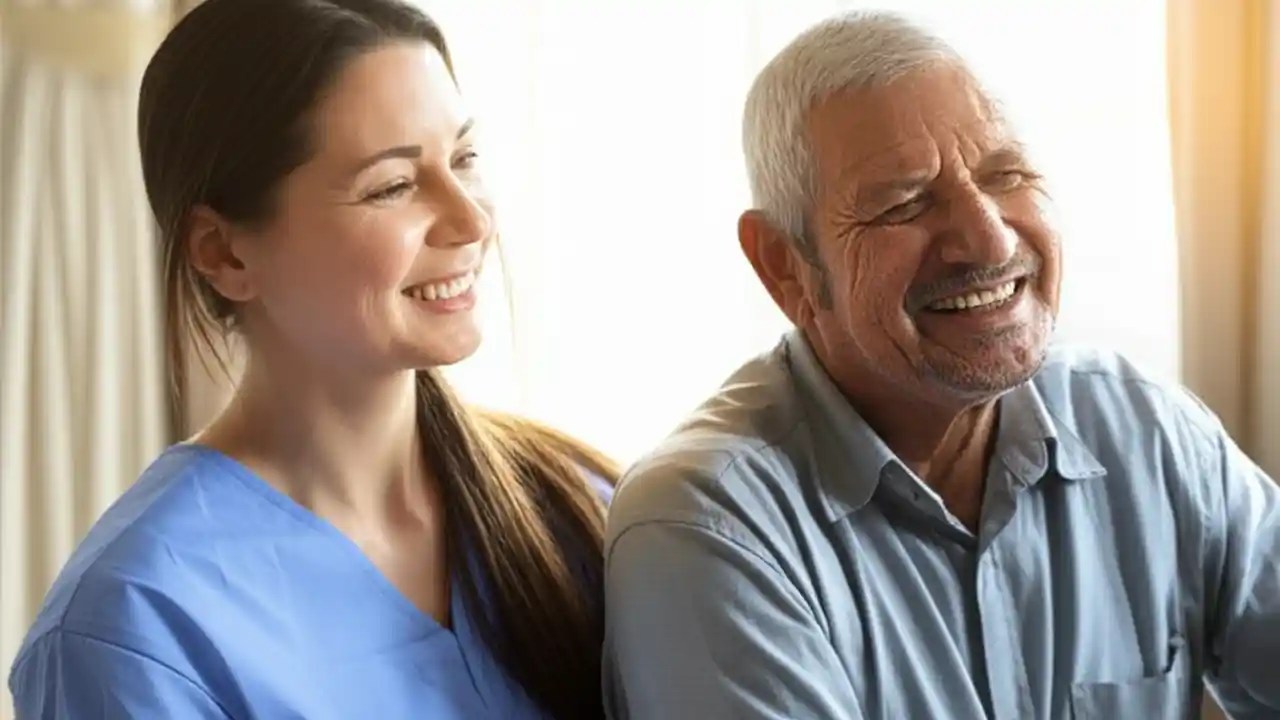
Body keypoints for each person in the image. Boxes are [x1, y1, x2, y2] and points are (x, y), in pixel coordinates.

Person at [603, 10, 1280, 720]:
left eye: (1007, 173)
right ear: (786, 267)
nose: (987, 242)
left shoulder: (1142, 430)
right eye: (905, 203)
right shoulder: (706, 525)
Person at [8, 1, 617, 718]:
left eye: (463, 159)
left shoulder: (577, 508)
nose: (470, 219)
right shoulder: (134, 627)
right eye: (392, 186)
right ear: (225, 253)